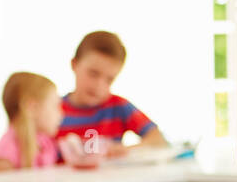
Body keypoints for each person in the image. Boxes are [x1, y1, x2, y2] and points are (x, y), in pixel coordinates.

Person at [59, 30, 167, 158]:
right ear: (74, 64)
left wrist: (126, 150)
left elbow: (158, 140)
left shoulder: (118, 106)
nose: (99, 86)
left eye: (109, 79)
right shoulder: (52, 111)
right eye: (93, 73)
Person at [0, 72, 63, 173]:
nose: (61, 113)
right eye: (55, 106)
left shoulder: (46, 143)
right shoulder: (8, 149)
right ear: (32, 107)